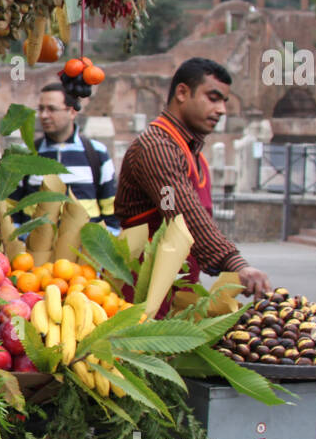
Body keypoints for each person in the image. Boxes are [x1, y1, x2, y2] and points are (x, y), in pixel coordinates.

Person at [115, 57, 272, 298]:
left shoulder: (192, 154)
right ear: (182, 92)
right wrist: (235, 264)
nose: (222, 110)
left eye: (224, 101)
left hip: (177, 293)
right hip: (138, 298)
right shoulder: (156, 147)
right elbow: (181, 213)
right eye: (213, 98)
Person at [12, 84, 120, 233]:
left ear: (72, 112)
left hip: (85, 251)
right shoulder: (25, 155)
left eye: (51, 109)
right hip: (34, 252)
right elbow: (11, 210)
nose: (43, 115)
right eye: (41, 109)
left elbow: (111, 209)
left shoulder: (97, 152)